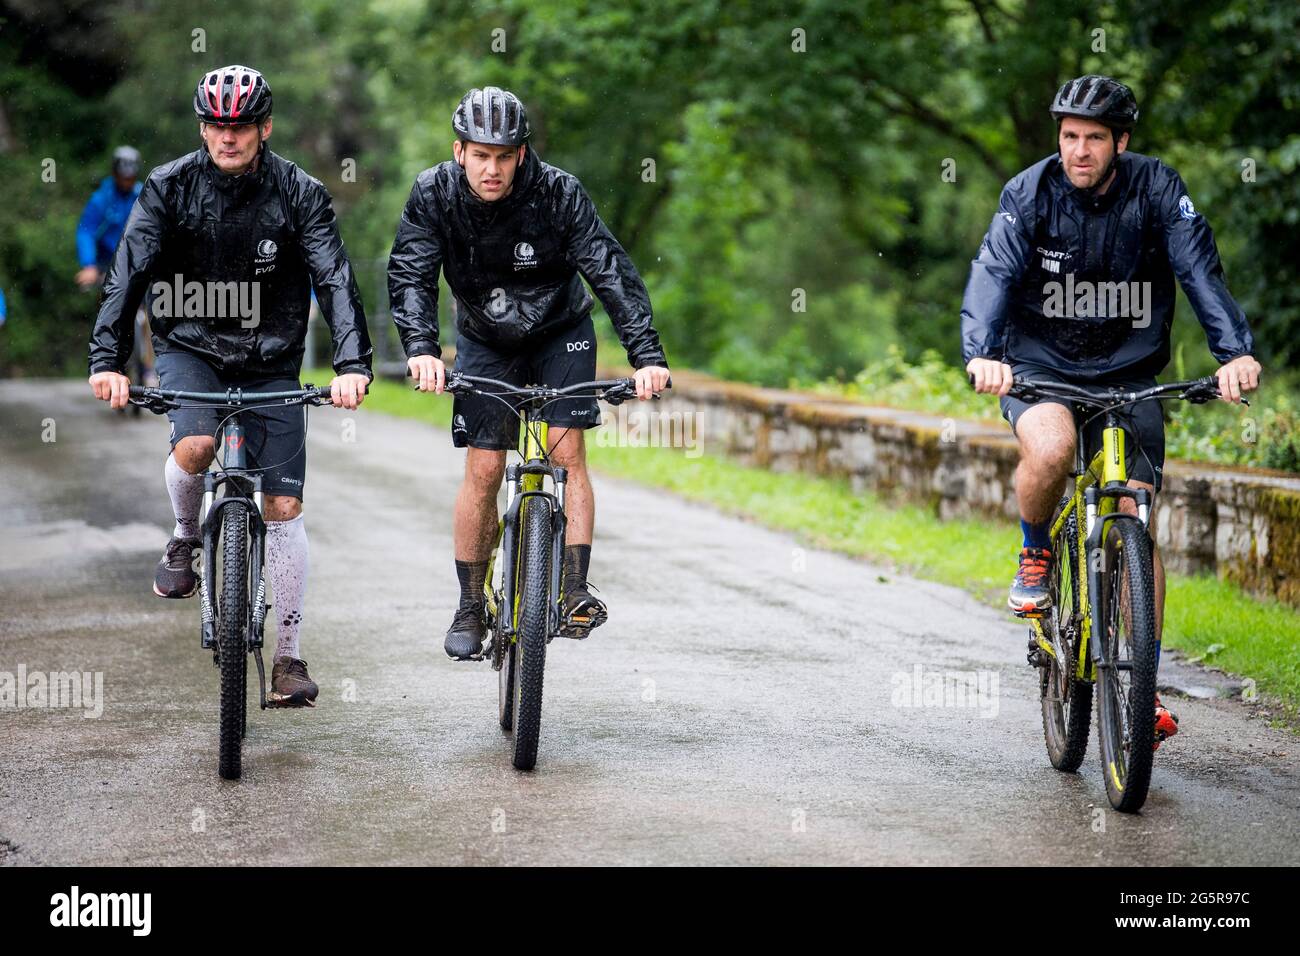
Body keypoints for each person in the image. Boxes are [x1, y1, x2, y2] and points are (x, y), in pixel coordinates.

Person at [961, 75, 1261, 748]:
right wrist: (982, 351)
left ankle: (1141, 689)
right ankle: (1036, 555)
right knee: (1050, 450)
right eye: (1069, 136)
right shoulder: (1029, 192)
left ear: (1120, 142)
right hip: (1037, 365)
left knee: (1133, 517)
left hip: (1130, 374)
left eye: (1095, 138)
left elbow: (1199, 272)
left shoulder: (1156, 190)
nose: (1080, 151)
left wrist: (1234, 352)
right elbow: (993, 272)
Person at [87, 65, 374, 706]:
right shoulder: (167, 188)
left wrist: (353, 363)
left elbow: (334, 279)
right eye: (217, 124)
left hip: (273, 359)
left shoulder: (300, 193)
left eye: (240, 125)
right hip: (190, 346)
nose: (228, 137)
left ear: (263, 128)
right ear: (203, 127)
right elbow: (127, 273)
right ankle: (187, 534)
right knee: (194, 448)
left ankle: (290, 658)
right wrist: (107, 358)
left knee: (284, 507)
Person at [388, 86, 671, 660]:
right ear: (459, 150)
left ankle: (572, 589)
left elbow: (608, 270)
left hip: (560, 332)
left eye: (504, 156)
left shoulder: (560, 193)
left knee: (568, 457)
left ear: (521, 154)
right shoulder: (432, 193)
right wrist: (421, 348)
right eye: (480, 155)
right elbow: (411, 274)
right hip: (483, 340)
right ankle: (470, 604)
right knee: (486, 466)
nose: (492, 169)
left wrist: (647, 356)